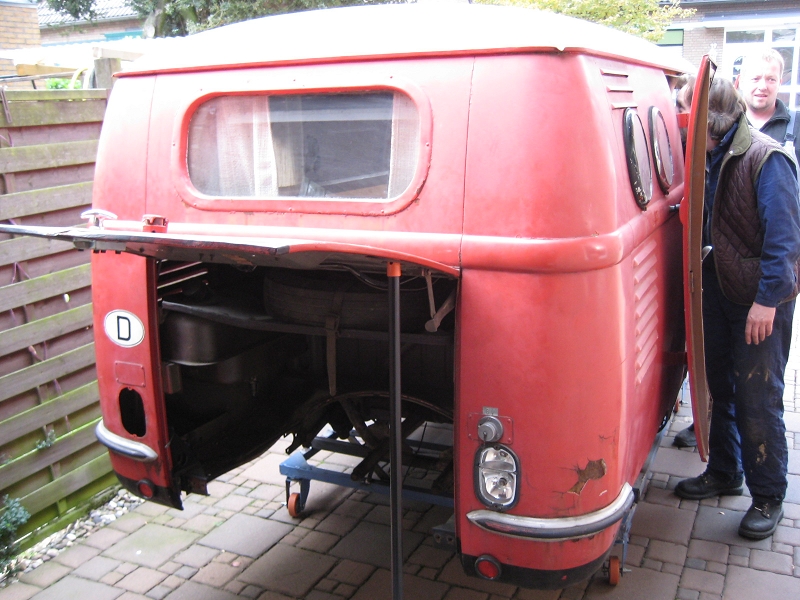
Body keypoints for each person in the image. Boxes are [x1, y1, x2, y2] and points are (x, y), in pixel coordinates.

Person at [674, 77, 800, 541]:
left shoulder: (767, 158)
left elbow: (786, 244)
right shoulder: (706, 154)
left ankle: (768, 496)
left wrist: (766, 302)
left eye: (687, 113)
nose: (680, 120)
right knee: (721, 390)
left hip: (758, 301)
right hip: (720, 293)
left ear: (711, 117)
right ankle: (726, 472)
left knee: (758, 399)